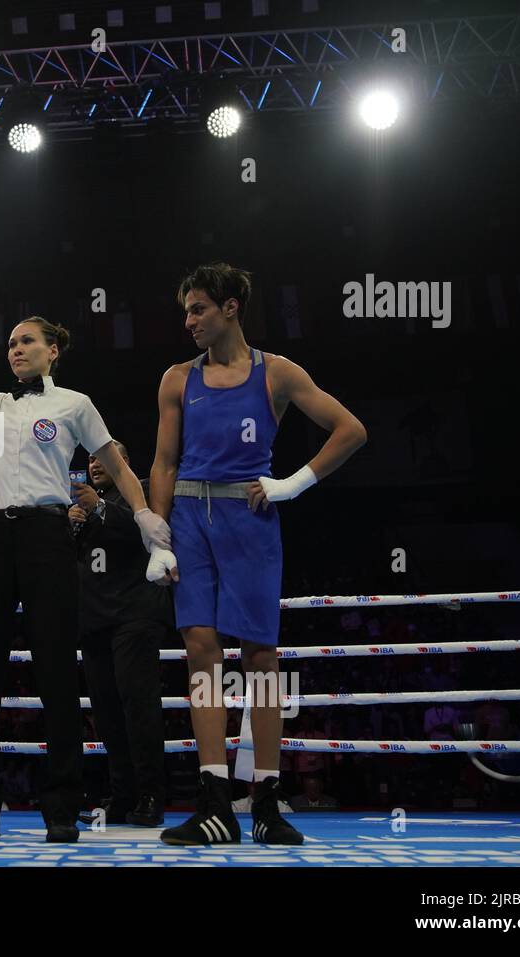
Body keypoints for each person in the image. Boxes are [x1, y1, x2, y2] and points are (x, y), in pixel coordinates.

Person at [0, 310, 171, 843]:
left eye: (27, 341)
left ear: (54, 350)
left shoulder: (74, 404)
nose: (15, 349)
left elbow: (114, 465)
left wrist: (142, 517)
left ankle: (63, 809)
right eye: (10, 343)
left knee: (55, 674)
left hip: (48, 537)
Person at [149, 262, 367, 846]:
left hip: (250, 520)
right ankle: (215, 799)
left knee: (261, 656)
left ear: (230, 308)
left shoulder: (278, 374)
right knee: (200, 650)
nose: (189, 320)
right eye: (186, 311)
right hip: (191, 518)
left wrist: (293, 483)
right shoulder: (176, 379)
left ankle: (267, 798)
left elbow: (351, 429)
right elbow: (164, 463)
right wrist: (156, 534)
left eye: (198, 308)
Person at [70, 440, 172, 827]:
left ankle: (150, 795)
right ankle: (123, 794)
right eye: (91, 458)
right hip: (94, 620)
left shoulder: (142, 491)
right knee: (107, 713)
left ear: (124, 462)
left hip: (134, 615)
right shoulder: (83, 505)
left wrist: (97, 506)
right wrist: (71, 523)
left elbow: (145, 534)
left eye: (104, 456)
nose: (95, 462)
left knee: (138, 706)